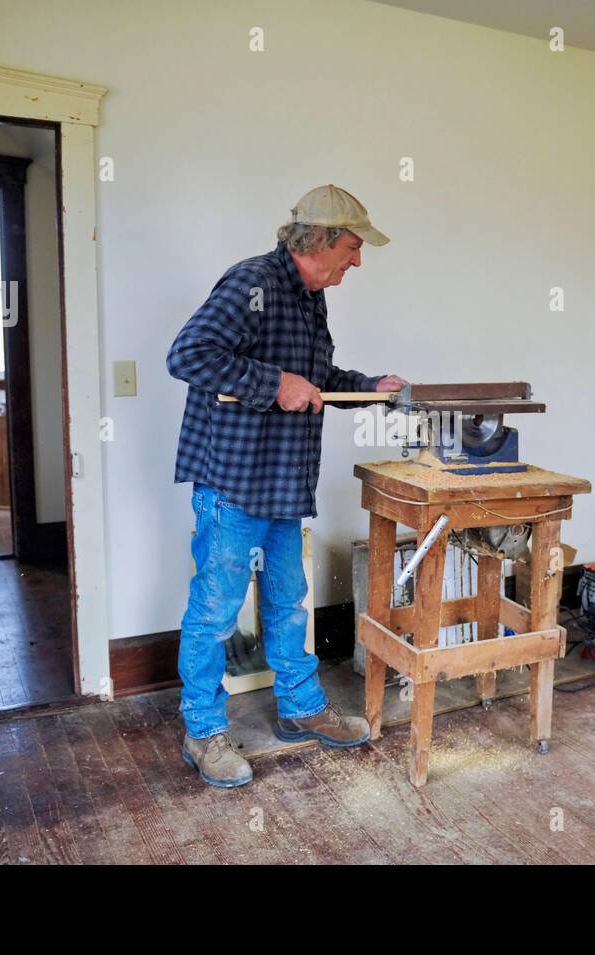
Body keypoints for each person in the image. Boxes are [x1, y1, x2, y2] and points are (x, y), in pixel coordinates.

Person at [166, 185, 407, 788]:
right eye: (352, 246)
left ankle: (301, 710)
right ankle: (203, 731)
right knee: (215, 612)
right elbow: (188, 354)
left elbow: (319, 378)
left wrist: (371, 385)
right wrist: (273, 383)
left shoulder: (309, 298)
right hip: (233, 481)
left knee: (286, 600)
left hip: (282, 480)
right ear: (321, 241)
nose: (357, 260)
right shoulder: (252, 282)